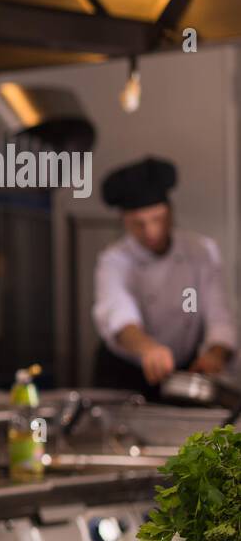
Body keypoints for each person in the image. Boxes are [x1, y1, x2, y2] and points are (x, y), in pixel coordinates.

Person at [91, 156, 236, 396]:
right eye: (138, 224)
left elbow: (219, 316)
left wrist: (215, 353)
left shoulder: (201, 251)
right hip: (124, 374)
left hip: (184, 370)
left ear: (170, 212)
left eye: (157, 219)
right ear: (124, 222)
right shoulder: (113, 260)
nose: (150, 231)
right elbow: (119, 316)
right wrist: (148, 348)